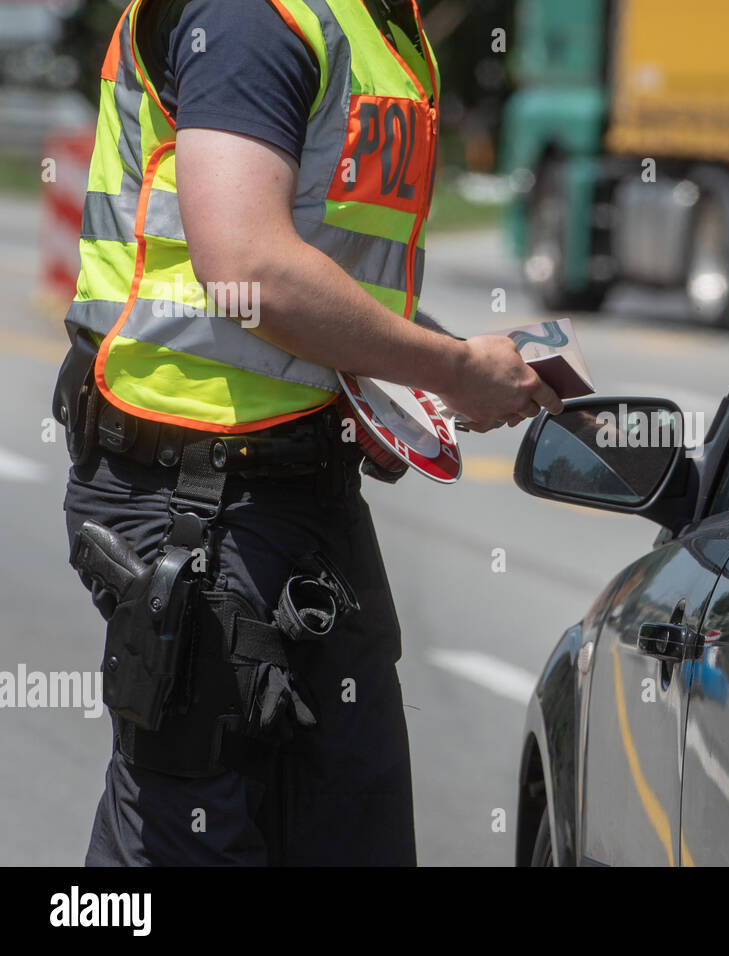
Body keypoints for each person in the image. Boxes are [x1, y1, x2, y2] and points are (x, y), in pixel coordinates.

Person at [54, 0, 560, 866]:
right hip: (195, 500)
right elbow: (249, 268)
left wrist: (433, 361)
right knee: (187, 842)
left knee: (345, 828)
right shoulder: (256, 14)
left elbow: (328, 269)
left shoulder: (380, 29)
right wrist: (452, 369)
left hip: (301, 498)